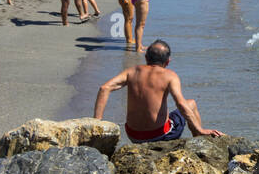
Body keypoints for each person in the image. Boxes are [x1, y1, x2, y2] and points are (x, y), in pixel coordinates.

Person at [93, 39, 222, 143]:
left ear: (146, 57)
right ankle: (198, 139)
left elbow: (104, 88)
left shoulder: (132, 71)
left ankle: (96, 122)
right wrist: (200, 128)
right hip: (159, 135)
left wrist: (96, 123)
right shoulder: (169, 75)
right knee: (191, 103)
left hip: (133, 135)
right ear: (168, 61)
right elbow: (181, 104)